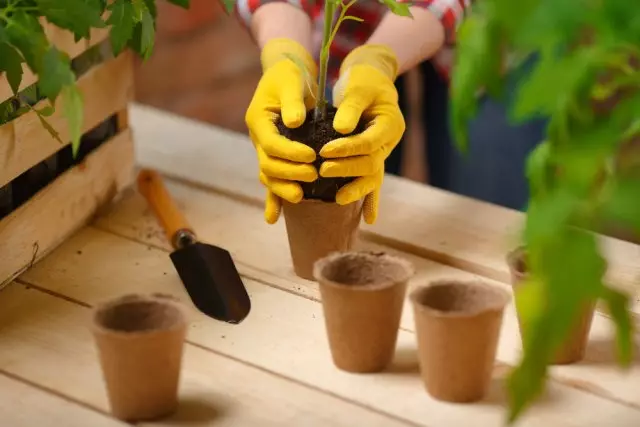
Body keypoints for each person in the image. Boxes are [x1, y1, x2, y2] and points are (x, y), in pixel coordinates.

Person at [228, 0, 548, 225]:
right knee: (342, 175)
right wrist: (285, 52)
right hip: (347, 29)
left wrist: (379, 59)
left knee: (490, 221)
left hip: (492, 32)